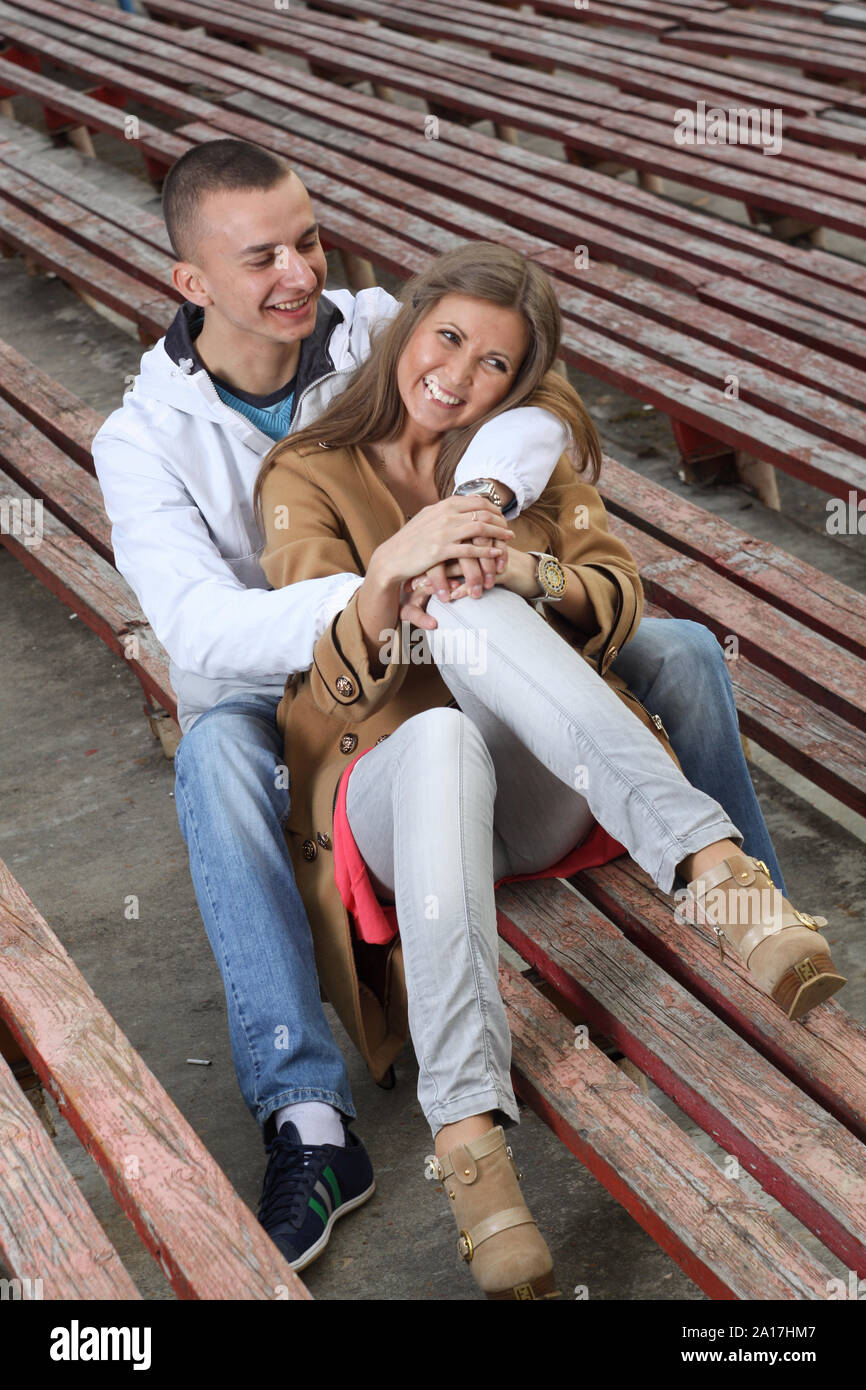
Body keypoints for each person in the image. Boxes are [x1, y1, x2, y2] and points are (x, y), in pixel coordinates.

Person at [91, 135, 788, 1276]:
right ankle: (307, 1113)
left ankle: (741, 910)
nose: (298, 274)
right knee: (214, 756)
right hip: (286, 690)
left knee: (669, 644)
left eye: (308, 240)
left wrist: (472, 509)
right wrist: (384, 580)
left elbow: (543, 401)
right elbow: (202, 631)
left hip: (452, 646)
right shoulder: (145, 440)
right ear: (191, 283)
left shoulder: (376, 324)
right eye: (260, 256)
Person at [254, 242, 846, 1300]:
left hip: (539, 780)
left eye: (495, 363)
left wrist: (511, 566)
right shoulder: (305, 475)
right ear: (409, 323)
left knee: (476, 598)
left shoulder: (522, 456)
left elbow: (617, 599)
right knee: (434, 720)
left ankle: (717, 871)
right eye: (447, 338)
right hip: (404, 799)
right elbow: (320, 682)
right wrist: (398, 577)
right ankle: (471, 1145)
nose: (460, 374)